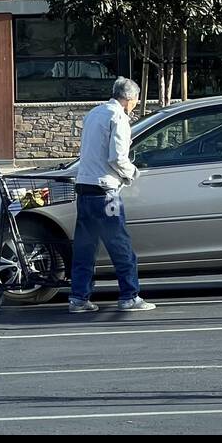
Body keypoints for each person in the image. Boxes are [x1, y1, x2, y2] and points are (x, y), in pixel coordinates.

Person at [67, 77, 156, 313]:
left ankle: (78, 298)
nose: (135, 105)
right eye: (136, 101)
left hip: (84, 189)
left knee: (85, 248)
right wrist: (132, 174)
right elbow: (117, 157)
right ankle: (129, 296)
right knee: (120, 245)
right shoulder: (119, 118)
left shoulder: (94, 114)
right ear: (129, 99)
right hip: (106, 193)